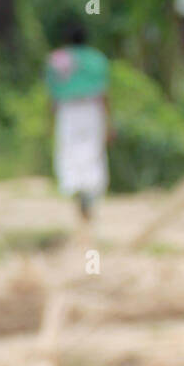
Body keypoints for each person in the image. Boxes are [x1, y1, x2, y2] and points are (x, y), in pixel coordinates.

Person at [44, 23, 112, 219]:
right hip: (92, 109)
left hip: (67, 110)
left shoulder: (57, 59)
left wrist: (49, 121)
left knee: (68, 149)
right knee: (93, 149)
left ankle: (75, 187)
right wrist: (109, 123)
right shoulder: (97, 59)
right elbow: (104, 93)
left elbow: (52, 95)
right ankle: (91, 190)